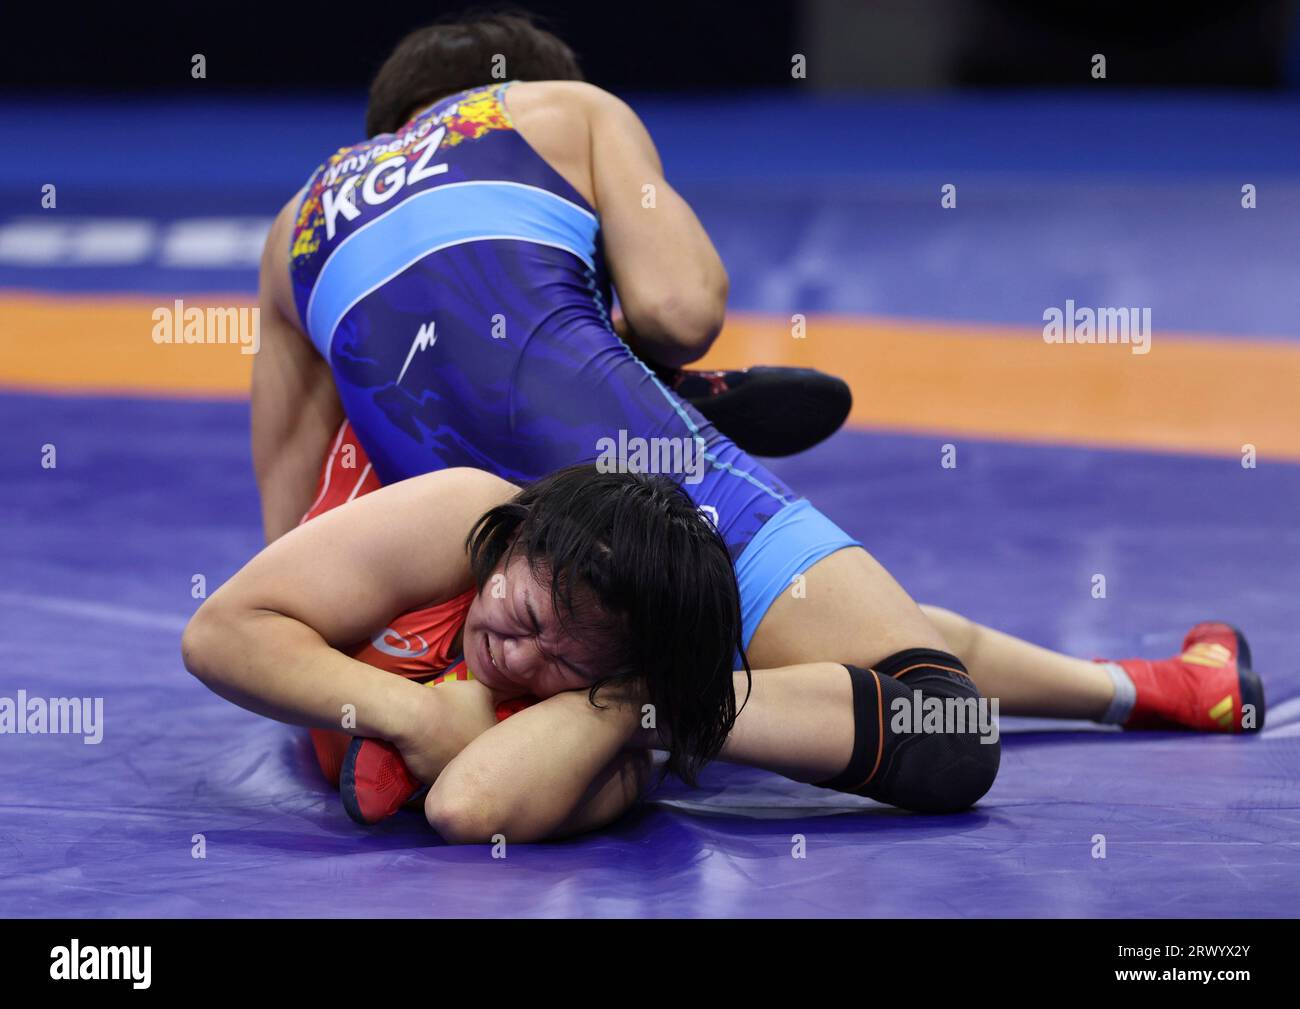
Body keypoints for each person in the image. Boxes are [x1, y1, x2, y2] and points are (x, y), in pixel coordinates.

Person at [210, 13, 1264, 841]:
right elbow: (684, 308)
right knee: (930, 714)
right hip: (649, 485)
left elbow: (288, 533)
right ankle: (1154, 690)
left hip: (484, 559)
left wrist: (384, 688)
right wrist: (632, 336)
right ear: (519, 81)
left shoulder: (292, 223)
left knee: (715, 650)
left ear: (383, 124)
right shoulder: (566, 111)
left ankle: (634, 689)